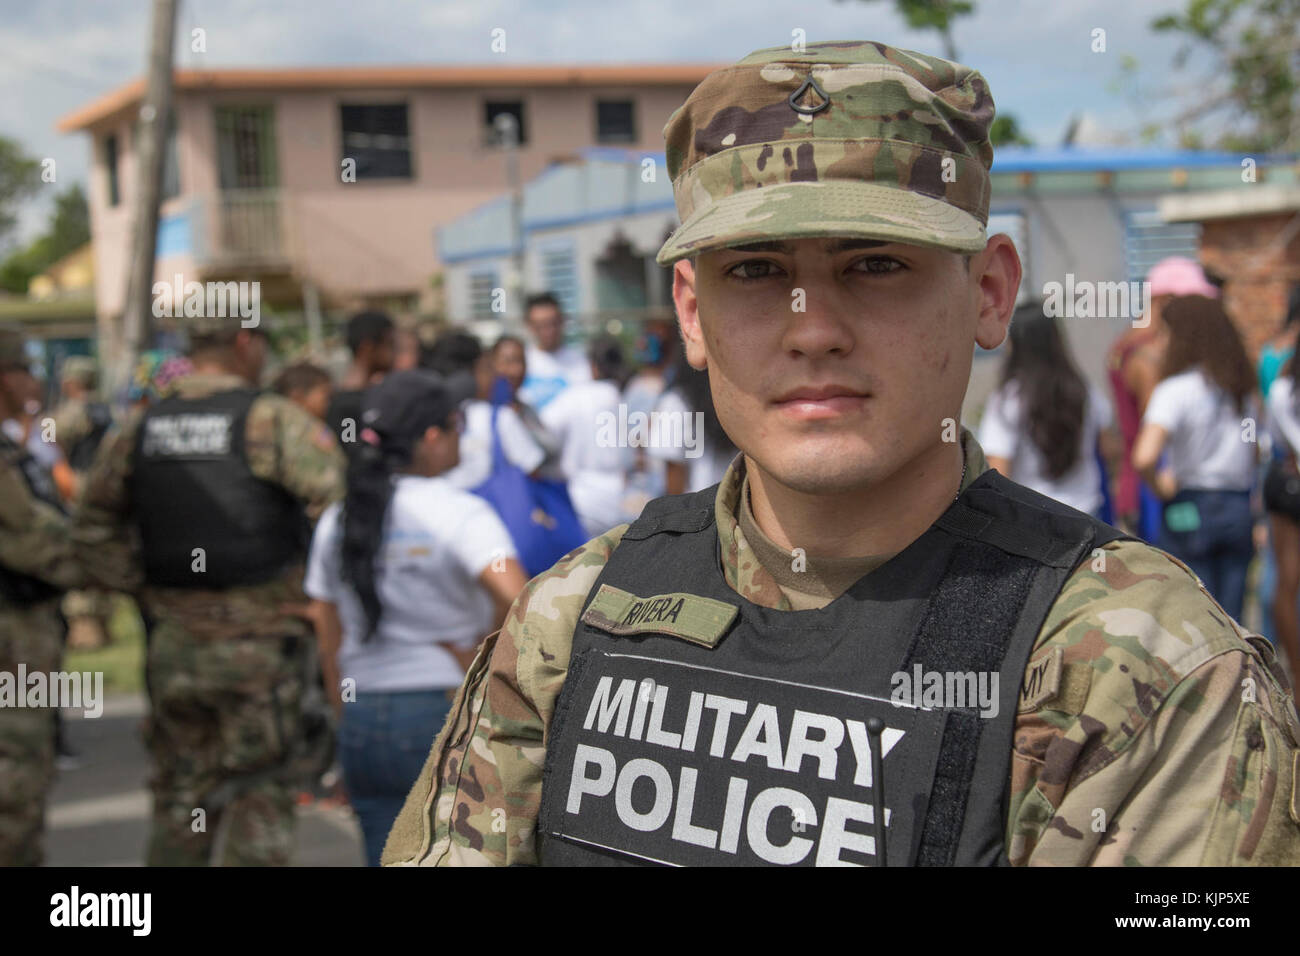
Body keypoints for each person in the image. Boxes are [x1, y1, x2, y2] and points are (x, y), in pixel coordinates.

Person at [382, 41, 1300, 868]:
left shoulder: (1138, 663)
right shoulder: (576, 615)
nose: (812, 329)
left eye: (875, 264)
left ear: (988, 292)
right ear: (693, 316)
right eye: (755, 271)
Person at [72, 316, 346, 866]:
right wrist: (311, 591)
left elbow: (90, 525)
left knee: (180, 796)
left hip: (174, 649)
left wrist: (144, 587)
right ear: (245, 343)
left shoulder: (142, 425)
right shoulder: (271, 420)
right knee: (259, 792)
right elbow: (341, 505)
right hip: (259, 648)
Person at [302, 370, 528, 866]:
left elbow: (326, 631)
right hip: (440, 714)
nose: (462, 438)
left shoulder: (339, 518)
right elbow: (522, 601)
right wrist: (480, 651)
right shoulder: (461, 514)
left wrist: (344, 713)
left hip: (362, 719)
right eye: (455, 426)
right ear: (431, 438)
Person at [0, 327, 82, 866]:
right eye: (25, 368)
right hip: (14, 635)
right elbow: (31, 538)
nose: (33, 379)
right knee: (18, 783)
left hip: (27, 629)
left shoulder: (16, 446)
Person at [1132, 294, 1260, 622]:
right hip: (1236, 507)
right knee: (1234, 620)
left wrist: (1161, 487)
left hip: (1189, 507)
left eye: (1165, 333)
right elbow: (1255, 449)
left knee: (1194, 615)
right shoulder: (1242, 392)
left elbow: (1145, 455)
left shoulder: (1175, 391)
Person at [1106, 257, 1220, 540]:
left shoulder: (1125, 344)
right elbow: (1157, 431)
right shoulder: (1150, 354)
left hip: (1136, 481)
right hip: (1154, 486)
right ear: (1165, 300)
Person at [979, 303, 1116, 518]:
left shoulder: (1008, 399)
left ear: (1016, 343)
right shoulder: (1084, 389)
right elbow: (1110, 449)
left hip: (1035, 524)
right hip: (1089, 514)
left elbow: (998, 474)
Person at [428, 330, 547, 491]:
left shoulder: (430, 417)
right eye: (487, 369)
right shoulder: (499, 417)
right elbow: (533, 471)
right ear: (472, 373)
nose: (495, 376)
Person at [538, 335, 632, 538]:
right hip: (629, 497)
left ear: (593, 366)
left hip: (583, 499)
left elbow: (542, 432)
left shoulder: (575, 397)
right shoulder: (632, 396)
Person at [648, 348, 738, 495]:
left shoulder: (676, 402)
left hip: (695, 507)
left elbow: (673, 468)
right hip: (732, 502)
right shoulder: (736, 401)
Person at [491, 334, 564, 480]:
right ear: (492, 364)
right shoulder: (483, 412)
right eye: (508, 361)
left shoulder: (526, 407)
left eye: (521, 362)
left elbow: (552, 448)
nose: (516, 370)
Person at [326, 310, 396, 457]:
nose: (394, 353)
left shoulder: (376, 393)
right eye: (389, 345)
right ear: (367, 348)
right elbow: (351, 451)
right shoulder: (346, 407)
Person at [517, 292, 592, 411]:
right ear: (529, 325)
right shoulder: (520, 363)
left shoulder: (581, 361)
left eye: (553, 323)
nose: (549, 331)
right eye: (541, 325)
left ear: (563, 321)